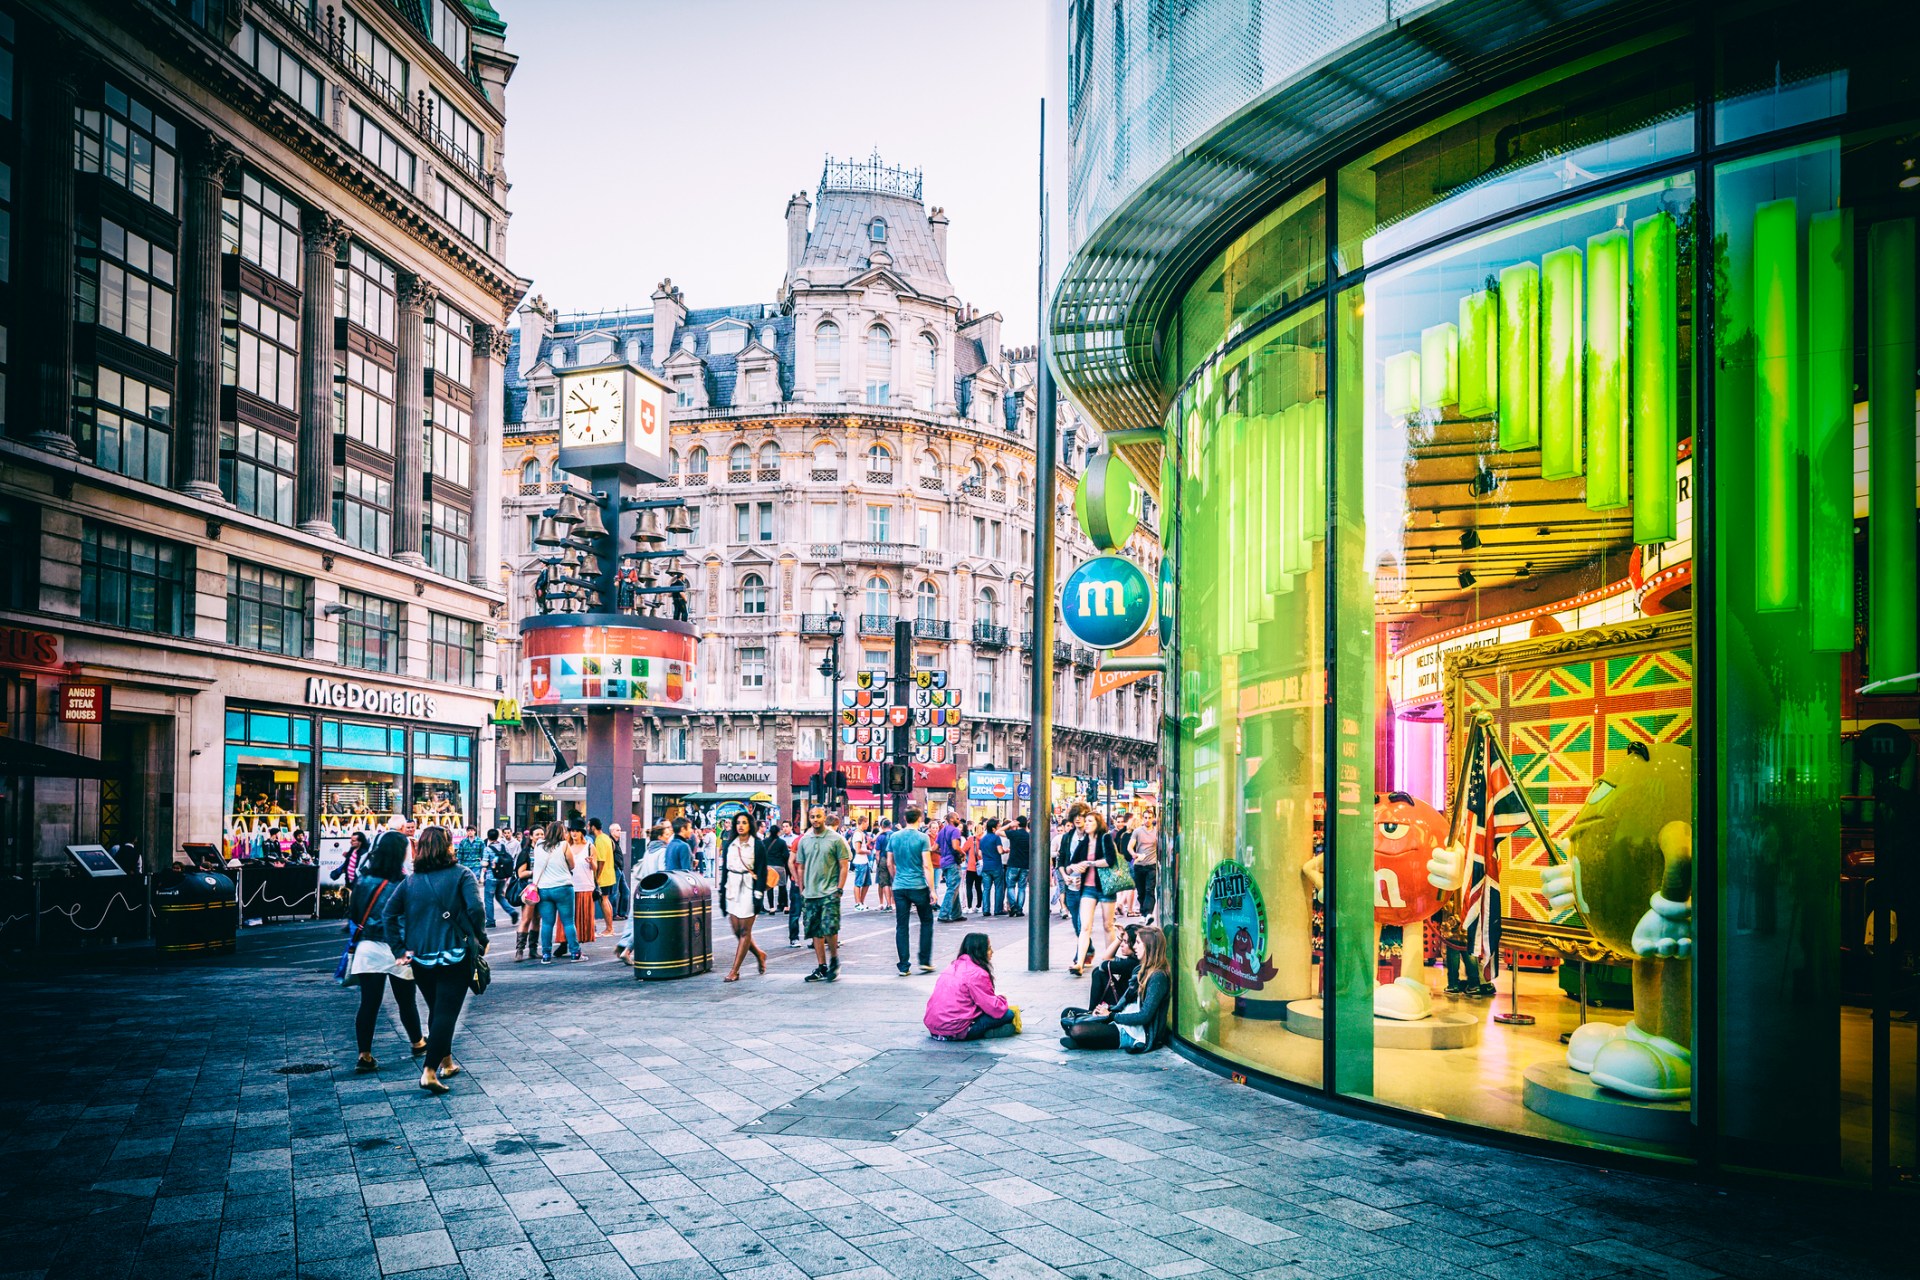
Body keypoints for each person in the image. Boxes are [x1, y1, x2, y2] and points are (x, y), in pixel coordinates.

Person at [383, 825, 487, 1093]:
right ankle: (429, 1071)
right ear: (448, 846)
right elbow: (476, 909)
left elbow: (388, 914)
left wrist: (399, 949)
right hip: (455, 953)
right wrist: (479, 936)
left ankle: (447, 1062)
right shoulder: (462, 874)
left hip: (421, 957)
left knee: (437, 1010)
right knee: (446, 1013)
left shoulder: (410, 882)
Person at [345, 834, 425, 1073]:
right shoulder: (405, 882)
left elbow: (353, 914)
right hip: (397, 948)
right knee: (406, 1000)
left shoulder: (363, 880)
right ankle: (417, 1042)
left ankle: (364, 1055)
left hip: (368, 947)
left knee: (369, 1003)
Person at [1060, 925, 1171, 1053]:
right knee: (1067, 1013)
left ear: (1148, 946)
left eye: (1138, 943)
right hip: (1122, 1017)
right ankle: (1086, 1039)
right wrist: (1108, 1010)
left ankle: (1083, 1039)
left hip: (1134, 1032)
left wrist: (1111, 1016)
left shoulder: (1158, 977)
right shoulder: (1141, 970)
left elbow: (1144, 1016)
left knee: (1077, 1030)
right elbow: (1126, 1004)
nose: (1134, 947)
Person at [924, 933, 1020, 1041]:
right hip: (955, 1030)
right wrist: (1002, 999)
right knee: (1008, 1014)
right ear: (980, 951)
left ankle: (989, 1030)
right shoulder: (977, 973)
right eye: (989, 948)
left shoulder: (952, 966)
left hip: (934, 1027)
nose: (992, 952)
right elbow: (993, 1008)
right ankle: (985, 1032)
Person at [793, 806, 850, 982]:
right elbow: (800, 866)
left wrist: (839, 888)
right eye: (812, 817)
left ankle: (834, 959)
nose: (815, 819)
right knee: (815, 930)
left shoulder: (836, 839)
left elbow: (844, 865)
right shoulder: (805, 840)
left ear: (824, 817)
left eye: (818, 816)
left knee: (830, 928)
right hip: (810, 893)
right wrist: (802, 889)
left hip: (829, 891)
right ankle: (821, 966)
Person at [1065, 809, 1118, 977]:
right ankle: (1079, 963)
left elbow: (1110, 860)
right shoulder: (1083, 842)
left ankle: (1110, 962)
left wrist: (1089, 863)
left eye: (1090, 821)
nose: (1086, 824)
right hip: (1088, 889)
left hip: (1105, 887)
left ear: (1098, 824)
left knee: (1108, 925)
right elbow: (1071, 864)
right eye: (1086, 821)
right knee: (1085, 926)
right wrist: (1073, 868)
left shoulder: (1105, 838)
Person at [886, 808, 937, 976]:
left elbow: (889, 863)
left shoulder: (894, 837)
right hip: (918, 885)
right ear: (919, 819)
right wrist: (932, 890)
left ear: (905, 818)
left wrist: (895, 878)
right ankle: (924, 960)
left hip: (900, 886)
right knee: (926, 921)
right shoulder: (922, 838)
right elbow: (927, 865)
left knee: (902, 925)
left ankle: (903, 965)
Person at [719, 811, 768, 982]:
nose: (741, 826)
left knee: (745, 931)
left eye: (744, 823)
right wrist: (722, 891)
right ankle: (759, 954)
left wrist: (758, 894)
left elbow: (762, 871)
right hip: (732, 886)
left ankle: (735, 970)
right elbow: (724, 870)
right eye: (738, 823)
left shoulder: (758, 845)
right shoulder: (730, 844)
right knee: (736, 930)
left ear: (750, 825)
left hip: (749, 886)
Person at [530, 819, 581, 963]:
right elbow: (572, 865)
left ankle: (546, 955)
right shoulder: (564, 845)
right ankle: (575, 952)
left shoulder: (539, 845)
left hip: (544, 888)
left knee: (547, 923)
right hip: (563, 887)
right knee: (568, 922)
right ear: (561, 833)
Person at [568, 817, 598, 946]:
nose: (574, 833)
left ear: (582, 833)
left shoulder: (590, 847)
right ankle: (566, 942)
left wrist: (591, 862)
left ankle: (578, 941)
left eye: (577, 831)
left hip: (585, 885)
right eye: (572, 831)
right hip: (569, 885)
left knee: (583, 916)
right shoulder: (566, 847)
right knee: (568, 916)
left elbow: (595, 868)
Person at [1129, 810, 1160, 923]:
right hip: (1139, 865)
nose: (1147, 820)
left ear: (1153, 818)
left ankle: (1149, 913)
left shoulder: (1156, 832)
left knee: (1149, 890)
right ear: (1143, 818)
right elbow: (1130, 846)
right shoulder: (1137, 831)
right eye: (1145, 817)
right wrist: (1134, 854)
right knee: (1141, 891)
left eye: (1149, 817)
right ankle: (1143, 913)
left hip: (1151, 865)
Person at [935, 813, 966, 922]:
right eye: (957, 818)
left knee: (953, 887)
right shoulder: (955, 830)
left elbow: (934, 848)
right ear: (952, 819)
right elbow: (955, 846)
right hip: (952, 862)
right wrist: (963, 853)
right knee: (952, 888)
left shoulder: (941, 831)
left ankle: (956, 913)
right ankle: (943, 914)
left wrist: (943, 853)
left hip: (944, 862)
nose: (959, 820)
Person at [589, 818, 617, 937]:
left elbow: (601, 861)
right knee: (606, 900)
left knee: (603, 901)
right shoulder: (606, 837)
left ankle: (609, 929)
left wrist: (597, 877)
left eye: (589, 826)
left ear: (593, 827)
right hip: (610, 874)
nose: (588, 828)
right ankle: (610, 928)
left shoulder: (600, 840)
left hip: (603, 876)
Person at [484, 830, 515, 927]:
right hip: (502, 877)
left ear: (488, 837)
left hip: (491, 877)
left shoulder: (488, 849)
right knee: (500, 896)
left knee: (488, 899)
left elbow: (485, 863)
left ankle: (490, 921)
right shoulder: (503, 846)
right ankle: (512, 911)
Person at [978, 817, 1007, 917]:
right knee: (999, 888)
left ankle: (986, 910)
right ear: (994, 828)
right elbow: (1000, 851)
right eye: (998, 826)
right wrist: (1005, 850)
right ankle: (998, 909)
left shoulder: (982, 839)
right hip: (996, 866)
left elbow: (979, 854)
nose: (999, 828)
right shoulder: (996, 838)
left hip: (986, 867)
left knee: (986, 889)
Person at [1005, 815, 1031, 918]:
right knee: (1021, 887)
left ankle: (1013, 906)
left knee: (1010, 886)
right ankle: (1019, 909)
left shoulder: (1013, 834)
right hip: (1025, 865)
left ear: (1017, 823)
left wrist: (1010, 825)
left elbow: (998, 832)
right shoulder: (1029, 836)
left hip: (1013, 863)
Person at [872, 820, 895, 912]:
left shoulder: (880, 837)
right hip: (894, 859)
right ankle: (894, 903)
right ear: (891, 825)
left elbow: (877, 852)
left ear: (882, 826)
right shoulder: (895, 835)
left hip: (883, 859)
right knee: (894, 881)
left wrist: (878, 863)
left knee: (885, 883)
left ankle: (888, 904)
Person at [850, 824, 873, 911]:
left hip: (864, 861)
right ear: (862, 823)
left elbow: (860, 847)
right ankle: (858, 903)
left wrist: (868, 843)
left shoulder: (861, 833)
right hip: (860, 861)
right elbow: (858, 850)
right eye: (866, 823)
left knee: (867, 883)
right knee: (858, 883)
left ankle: (861, 902)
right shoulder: (858, 834)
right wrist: (868, 851)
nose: (867, 825)